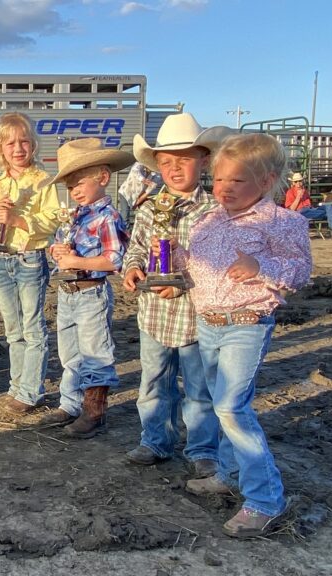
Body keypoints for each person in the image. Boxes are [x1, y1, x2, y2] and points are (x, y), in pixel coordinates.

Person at [176, 133, 311, 538]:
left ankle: (265, 500)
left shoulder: (281, 222)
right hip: (209, 323)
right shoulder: (210, 219)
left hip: (246, 322)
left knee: (233, 409)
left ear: (267, 180)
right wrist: (173, 270)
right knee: (219, 403)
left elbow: (300, 270)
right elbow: (195, 263)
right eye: (218, 180)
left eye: (236, 182)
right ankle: (230, 473)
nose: (223, 189)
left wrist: (260, 264)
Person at [122, 112, 230, 476]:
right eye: (166, 162)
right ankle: (155, 440)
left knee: (199, 388)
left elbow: (217, 262)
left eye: (183, 159)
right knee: (153, 381)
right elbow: (136, 247)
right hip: (154, 313)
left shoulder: (216, 211)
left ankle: (202, 449)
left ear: (203, 160)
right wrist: (133, 268)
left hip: (196, 317)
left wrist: (184, 280)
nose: (174, 168)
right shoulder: (150, 207)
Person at [40, 138, 134, 438]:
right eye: (71, 186)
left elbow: (115, 258)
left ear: (103, 178)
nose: (76, 191)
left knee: (95, 351)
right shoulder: (76, 216)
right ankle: (71, 403)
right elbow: (66, 248)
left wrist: (77, 260)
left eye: (80, 182)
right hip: (69, 292)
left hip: (91, 291)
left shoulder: (107, 217)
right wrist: (59, 252)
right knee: (70, 352)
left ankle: (94, 411)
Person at [0, 112, 61, 415]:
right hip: (2, 262)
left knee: (33, 326)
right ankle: (17, 384)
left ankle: (31, 390)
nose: (18, 148)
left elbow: (52, 219)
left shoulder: (43, 181)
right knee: (13, 329)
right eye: (10, 143)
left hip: (29, 260)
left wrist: (18, 219)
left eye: (24, 141)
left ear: (33, 145)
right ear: (0, 148)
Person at [284, 172, 332, 238]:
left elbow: (309, 204)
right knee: (329, 212)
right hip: (300, 213)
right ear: (293, 183)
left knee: (328, 206)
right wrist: (298, 197)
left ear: (302, 181)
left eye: (300, 181)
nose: (298, 183)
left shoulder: (305, 191)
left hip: (310, 210)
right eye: (296, 182)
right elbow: (291, 209)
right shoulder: (290, 192)